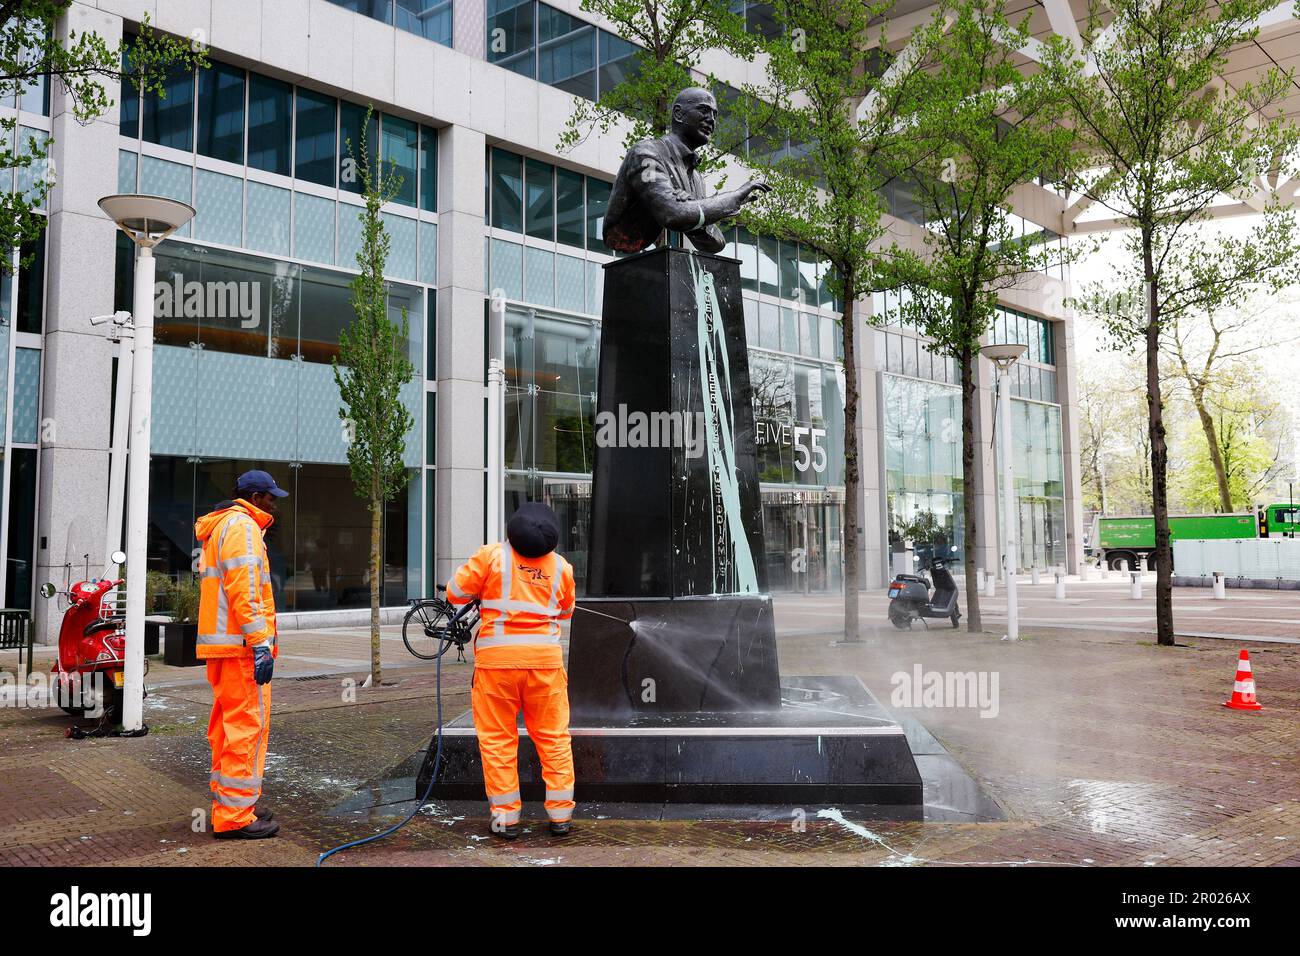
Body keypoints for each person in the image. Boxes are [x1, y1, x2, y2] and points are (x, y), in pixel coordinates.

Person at [446, 503, 577, 839]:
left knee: (498, 740)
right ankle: (560, 816)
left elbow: (455, 593)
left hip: (497, 668)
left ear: (511, 530)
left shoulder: (491, 557)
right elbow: (565, 613)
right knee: (554, 739)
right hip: (545, 666)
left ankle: (506, 820)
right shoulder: (562, 568)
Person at [194, 470, 286, 840]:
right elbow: (245, 590)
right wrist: (260, 642)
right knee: (247, 728)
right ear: (255, 495)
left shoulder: (222, 526)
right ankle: (235, 816)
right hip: (242, 650)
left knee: (228, 726)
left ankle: (232, 802)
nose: (274, 503)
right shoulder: (243, 527)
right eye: (271, 496)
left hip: (225, 649)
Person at [603, 86, 770, 254]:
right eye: (704, 110)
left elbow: (716, 243)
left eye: (715, 114)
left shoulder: (696, 178)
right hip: (623, 239)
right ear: (678, 114)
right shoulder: (646, 152)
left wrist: (692, 216)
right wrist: (733, 198)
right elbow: (672, 214)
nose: (711, 119)